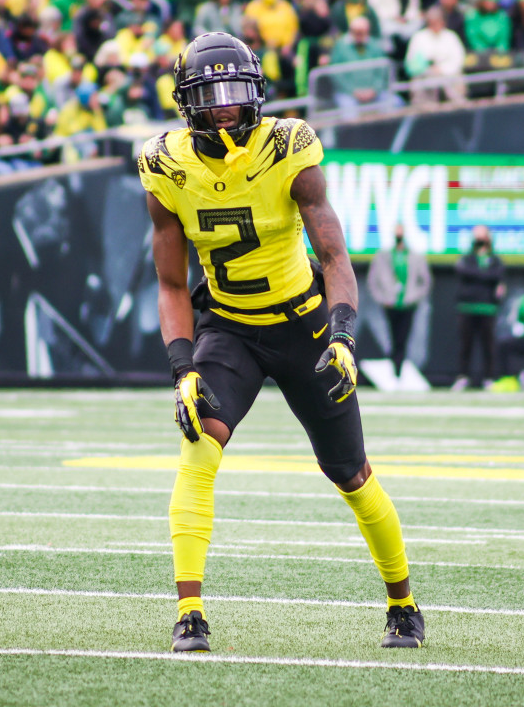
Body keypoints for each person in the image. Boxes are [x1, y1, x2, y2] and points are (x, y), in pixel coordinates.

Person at [139, 32, 423, 653]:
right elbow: (169, 282)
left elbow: (334, 255)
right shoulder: (165, 163)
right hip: (230, 326)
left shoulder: (288, 145)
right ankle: (190, 612)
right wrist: (182, 367)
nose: (227, 109)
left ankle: (402, 600)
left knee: (349, 472)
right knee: (198, 441)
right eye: (212, 98)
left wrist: (344, 336)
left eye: (238, 96)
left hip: (303, 324)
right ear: (188, 103)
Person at [366, 224, 431, 380]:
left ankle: (398, 369)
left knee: (403, 336)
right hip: (390, 303)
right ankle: (394, 367)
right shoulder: (383, 256)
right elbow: (373, 280)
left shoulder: (415, 256)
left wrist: (415, 297)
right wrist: (382, 298)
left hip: (407, 304)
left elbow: (425, 281)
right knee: (391, 336)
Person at [452, 225, 505, 391]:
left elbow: (496, 275)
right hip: (468, 307)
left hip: (488, 308)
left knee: (488, 345)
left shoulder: (495, 259)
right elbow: (464, 272)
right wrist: (485, 275)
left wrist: (480, 275)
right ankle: (463, 376)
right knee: (465, 345)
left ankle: (489, 377)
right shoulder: (467, 258)